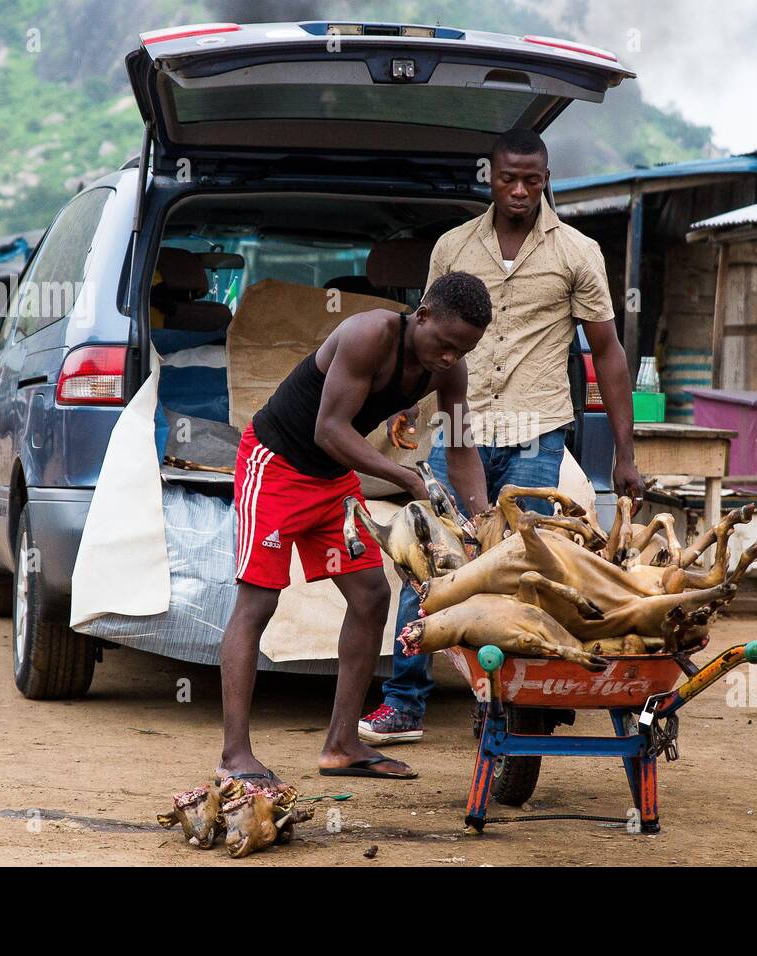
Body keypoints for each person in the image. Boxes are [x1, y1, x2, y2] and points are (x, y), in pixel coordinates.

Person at [359, 127, 645, 745]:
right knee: (430, 560)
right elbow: (425, 338)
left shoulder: (578, 253)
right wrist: (405, 409)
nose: (520, 191)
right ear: (488, 176)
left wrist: (625, 454)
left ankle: (519, 703)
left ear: (547, 178)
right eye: (508, 178)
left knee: (527, 567)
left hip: (536, 430)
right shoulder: (452, 246)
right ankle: (405, 700)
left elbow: (610, 354)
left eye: (533, 180)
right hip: (461, 422)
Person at [217, 271, 492, 785]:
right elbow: (329, 429)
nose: (451, 358)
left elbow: (461, 449)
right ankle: (235, 756)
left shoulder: (448, 371)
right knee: (257, 603)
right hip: (275, 465)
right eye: (446, 344)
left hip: (331, 479)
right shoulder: (369, 334)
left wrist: (481, 521)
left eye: (463, 350)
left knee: (370, 596)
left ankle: (342, 746)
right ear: (423, 315)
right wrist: (405, 478)